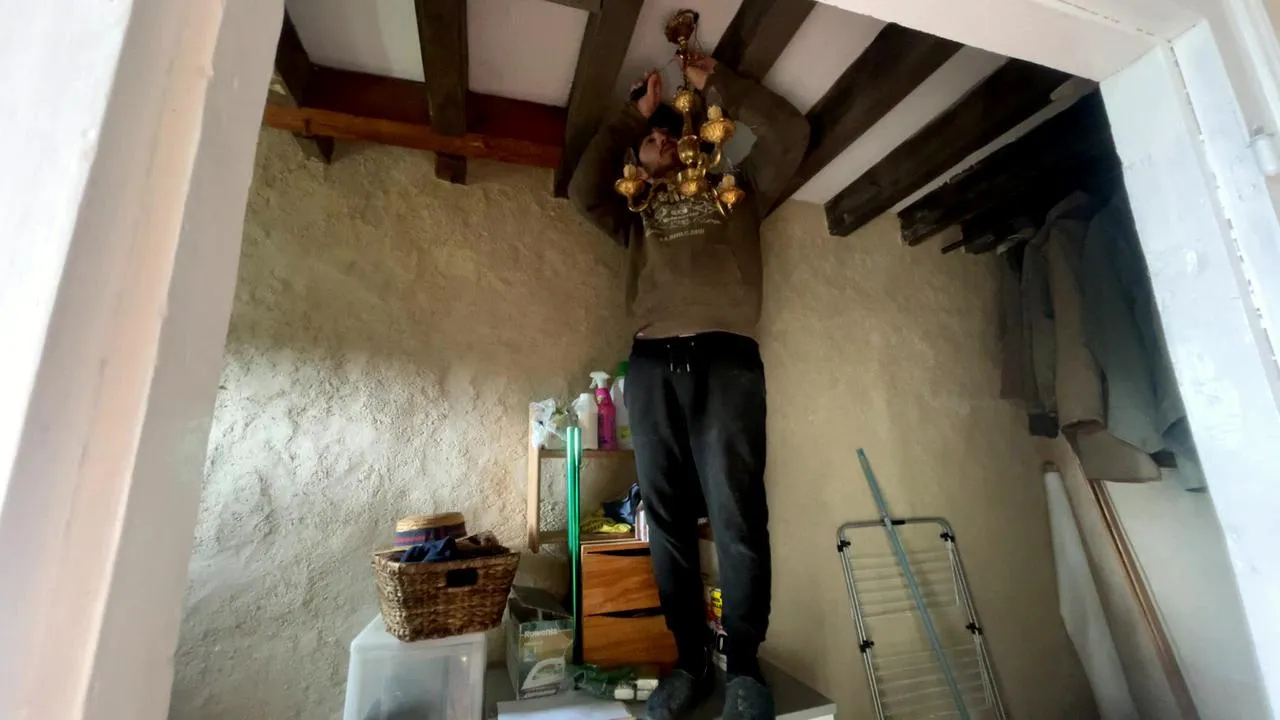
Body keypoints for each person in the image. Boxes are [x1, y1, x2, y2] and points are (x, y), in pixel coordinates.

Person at [568, 52, 808, 720]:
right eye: (652, 139)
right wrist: (632, 117)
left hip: (726, 357)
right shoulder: (635, 209)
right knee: (667, 519)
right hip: (650, 364)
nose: (663, 140)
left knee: (736, 514)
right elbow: (583, 191)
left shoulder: (735, 190)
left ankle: (745, 669)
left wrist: (715, 84)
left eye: (671, 133)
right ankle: (691, 663)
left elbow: (792, 134)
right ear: (638, 159)